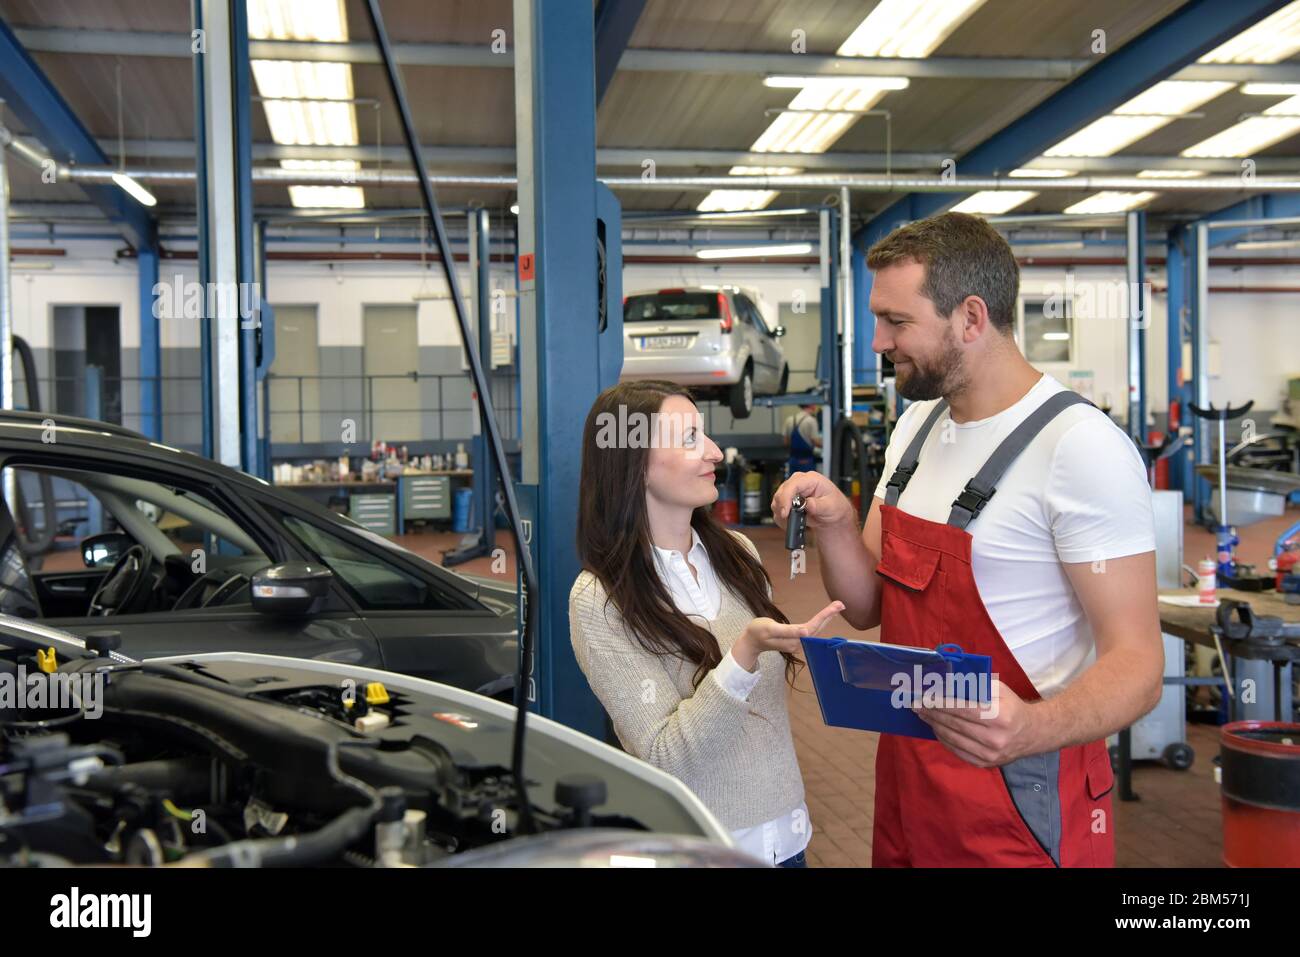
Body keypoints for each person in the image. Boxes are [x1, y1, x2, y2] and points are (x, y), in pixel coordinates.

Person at [772, 212, 1163, 867]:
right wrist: (838, 522)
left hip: (1021, 791)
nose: (877, 341)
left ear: (972, 318)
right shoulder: (915, 430)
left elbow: (1140, 665)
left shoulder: (1079, 449)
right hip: (910, 777)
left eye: (897, 322)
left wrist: (1032, 728)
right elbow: (868, 604)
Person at [569, 379, 842, 867]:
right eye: (690, 438)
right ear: (635, 463)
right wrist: (744, 654)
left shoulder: (740, 555)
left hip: (787, 838)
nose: (715, 452)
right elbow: (663, 759)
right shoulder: (599, 600)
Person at [782, 403, 822, 476]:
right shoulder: (811, 420)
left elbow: (785, 442)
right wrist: (826, 445)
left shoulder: (789, 419)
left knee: (793, 483)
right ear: (811, 405)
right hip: (806, 461)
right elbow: (815, 441)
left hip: (793, 460)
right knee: (808, 484)